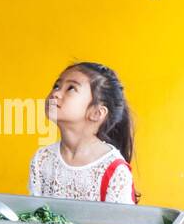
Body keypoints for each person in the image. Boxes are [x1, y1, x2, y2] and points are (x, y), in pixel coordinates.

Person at [29, 63, 137, 205]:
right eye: (56, 86)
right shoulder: (42, 159)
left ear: (96, 113)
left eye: (71, 88)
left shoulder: (114, 171)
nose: (55, 93)